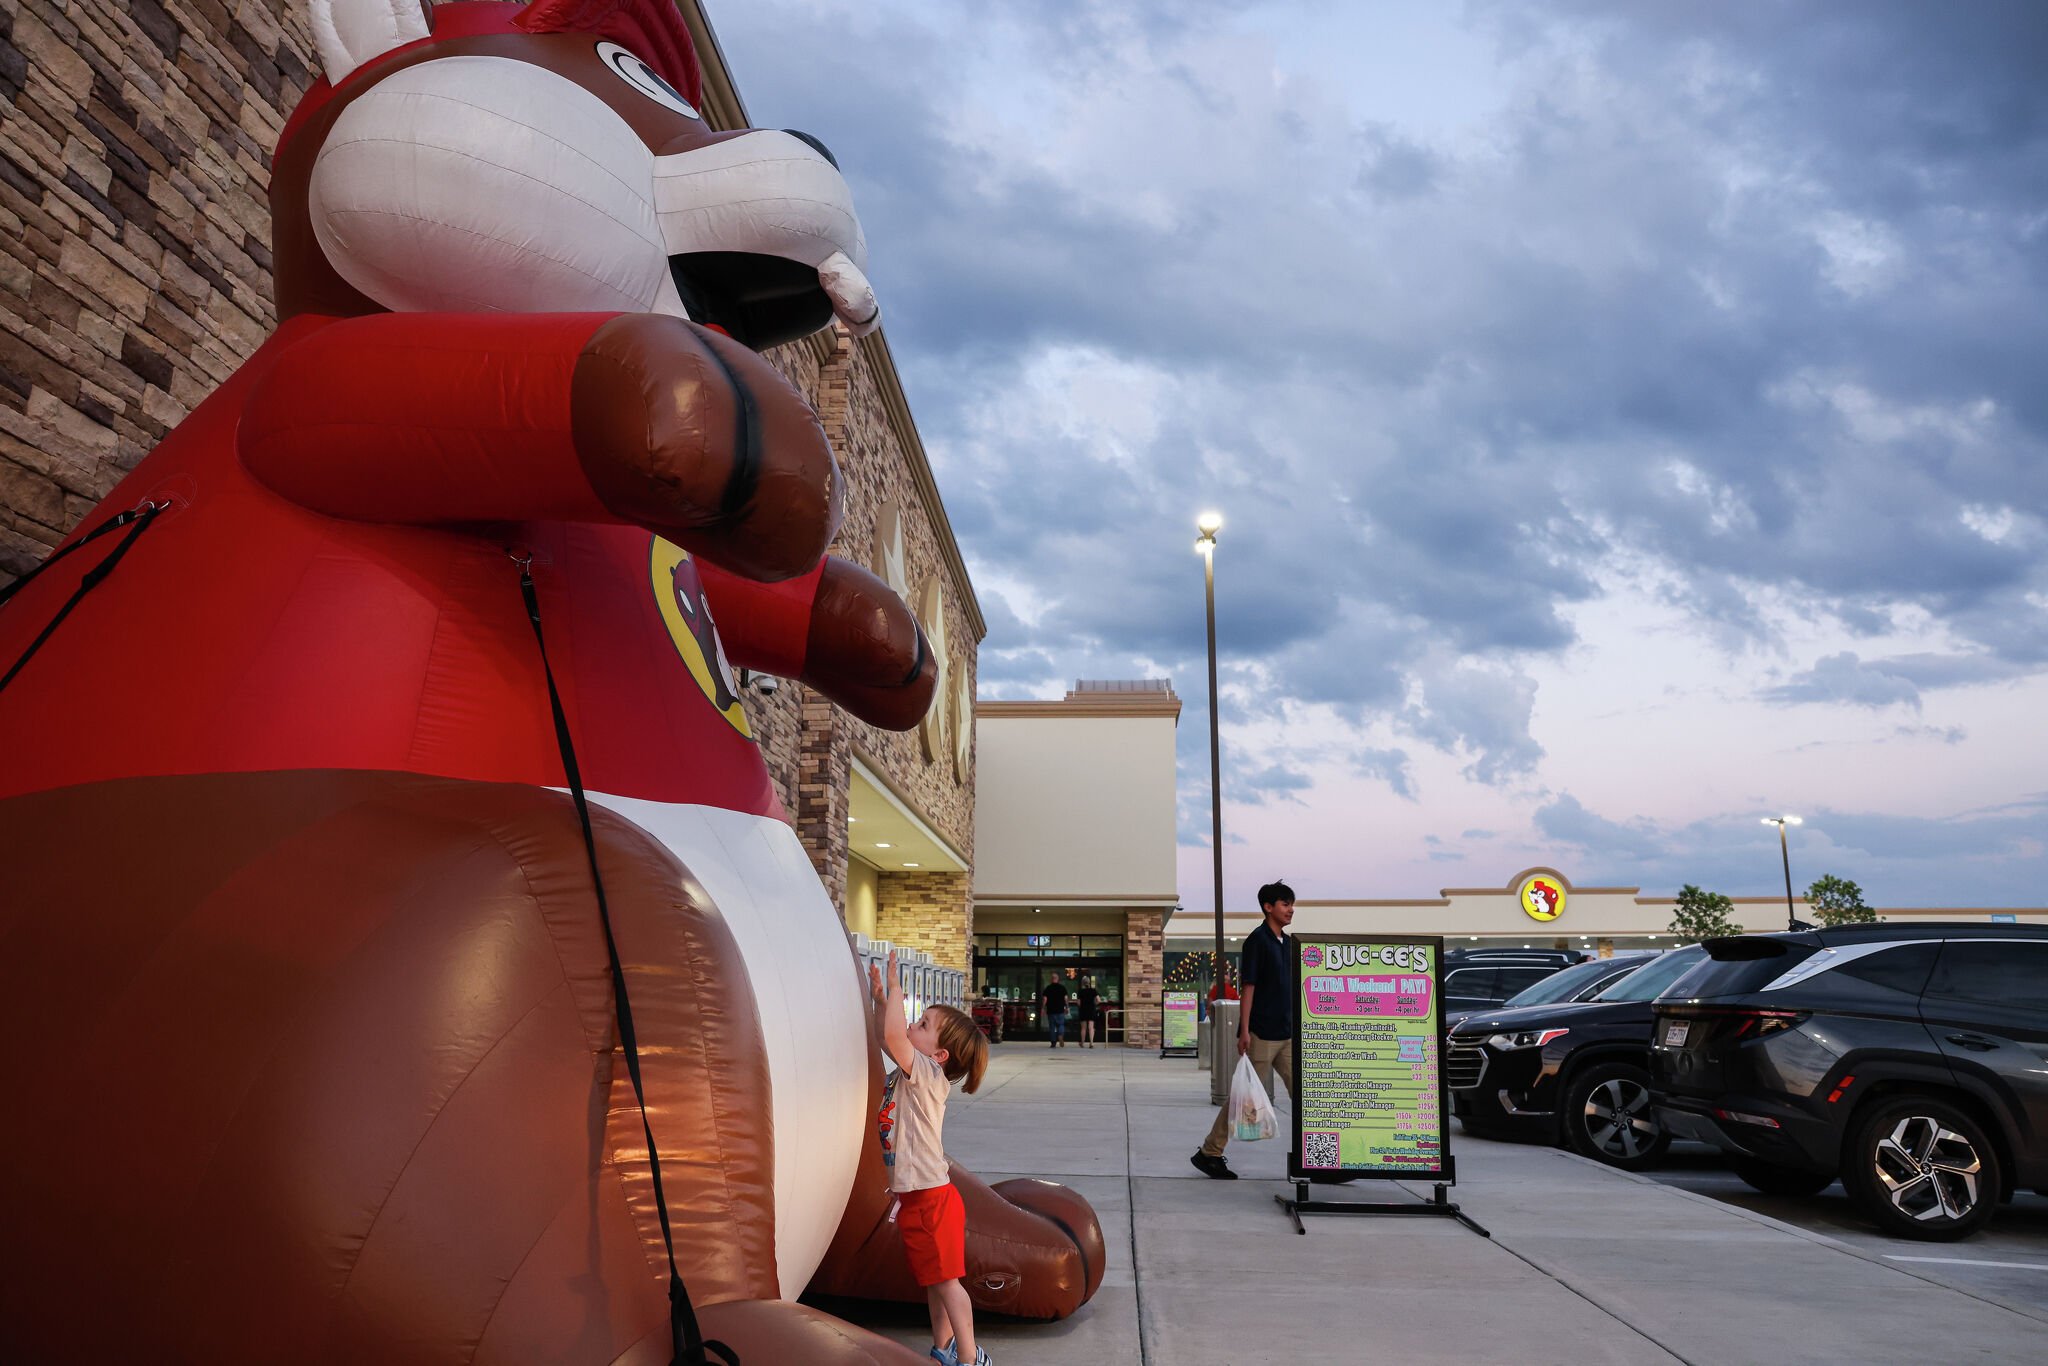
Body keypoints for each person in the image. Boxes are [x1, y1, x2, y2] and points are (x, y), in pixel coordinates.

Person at [870, 951, 992, 1366]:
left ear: (939, 1055)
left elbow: (892, 1038)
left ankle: (970, 1357)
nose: (913, 1024)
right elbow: (883, 1036)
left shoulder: (927, 1075)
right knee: (935, 1283)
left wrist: (895, 990)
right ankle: (943, 1350)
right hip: (917, 1200)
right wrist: (879, 1002)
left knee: (949, 1285)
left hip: (934, 1203)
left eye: (923, 1025)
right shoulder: (910, 1069)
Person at [1191, 880, 1295, 1179]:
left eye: (1291, 904)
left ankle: (1319, 1156)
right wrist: (1244, 1031)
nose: (1290, 910)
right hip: (1262, 1033)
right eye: (1285, 904)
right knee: (1242, 1097)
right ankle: (1210, 1152)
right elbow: (1247, 988)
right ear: (1268, 907)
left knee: (1304, 1095)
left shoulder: (1287, 943)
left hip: (1286, 1036)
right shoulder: (1257, 941)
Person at [1040, 974, 1068, 1047]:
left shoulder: (1048, 988)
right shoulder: (1062, 988)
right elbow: (1066, 998)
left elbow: (1045, 999)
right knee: (1061, 1024)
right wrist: (1067, 1007)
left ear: (1051, 979)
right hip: (1060, 1010)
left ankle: (1053, 1042)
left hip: (1051, 1010)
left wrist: (1043, 1008)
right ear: (1057, 979)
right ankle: (1060, 1035)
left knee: (1052, 1027)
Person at [1074, 974, 1100, 1048]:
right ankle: (1091, 1043)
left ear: (1083, 983)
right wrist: (1094, 1004)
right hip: (1091, 1010)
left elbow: (1078, 1002)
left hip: (1083, 1010)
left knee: (1083, 1028)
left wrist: (1082, 1005)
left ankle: (1082, 1043)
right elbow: (1099, 1000)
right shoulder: (1093, 990)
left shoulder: (1081, 991)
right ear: (1089, 983)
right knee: (1091, 1027)